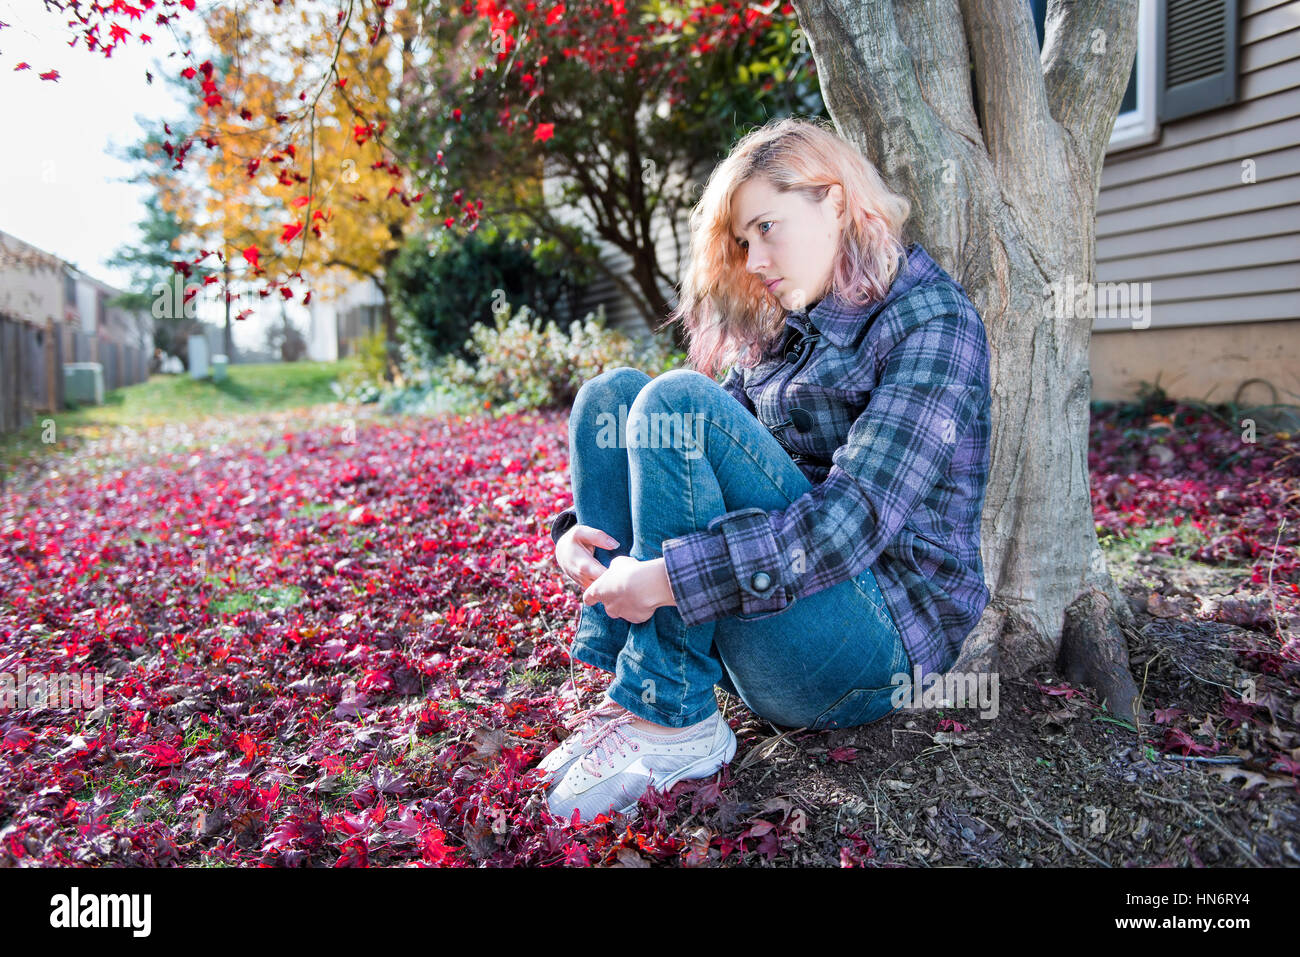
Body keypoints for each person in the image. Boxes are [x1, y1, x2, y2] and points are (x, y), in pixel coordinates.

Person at [540, 116, 992, 825]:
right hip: (783, 617)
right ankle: (637, 694)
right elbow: (687, 462)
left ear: (835, 202)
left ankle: (675, 721)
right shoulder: (791, 324)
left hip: (870, 653)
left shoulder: (931, 321)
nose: (754, 259)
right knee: (617, 397)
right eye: (743, 241)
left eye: (766, 228)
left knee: (677, 404)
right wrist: (579, 535)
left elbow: (849, 523)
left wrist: (660, 578)